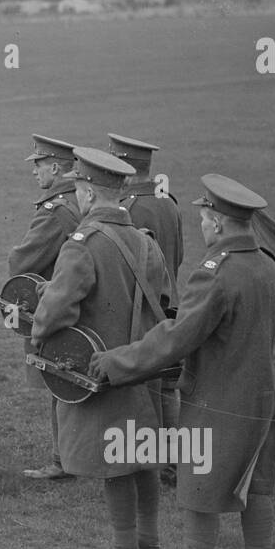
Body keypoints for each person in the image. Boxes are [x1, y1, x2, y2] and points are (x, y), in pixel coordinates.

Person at [89, 175, 275, 549]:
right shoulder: (270, 267)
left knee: (199, 492)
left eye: (204, 219)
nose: (202, 227)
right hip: (263, 398)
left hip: (217, 402)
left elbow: (175, 339)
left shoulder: (215, 274)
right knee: (258, 489)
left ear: (217, 223)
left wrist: (116, 362)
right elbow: (273, 329)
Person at [30, 147, 171, 549]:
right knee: (143, 458)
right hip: (143, 368)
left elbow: (55, 314)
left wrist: (38, 332)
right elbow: (164, 301)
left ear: (87, 193)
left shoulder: (82, 245)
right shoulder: (147, 243)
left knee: (114, 463)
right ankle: (149, 546)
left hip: (100, 370)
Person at [109, 132, 185, 483]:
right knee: (168, 387)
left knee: (151, 389)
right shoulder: (166, 200)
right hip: (171, 304)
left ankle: (161, 464)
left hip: (146, 309)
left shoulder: (130, 209)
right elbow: (178, 256)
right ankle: (172, 463)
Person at [8, 135, 82, 480]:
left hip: (57, 309)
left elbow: (23, 259)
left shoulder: (55, 211)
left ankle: (62, 461)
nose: (34, 172)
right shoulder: (75, 201)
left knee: (59, 383)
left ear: (55, 167)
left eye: (37, 165)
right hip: (77, 306)